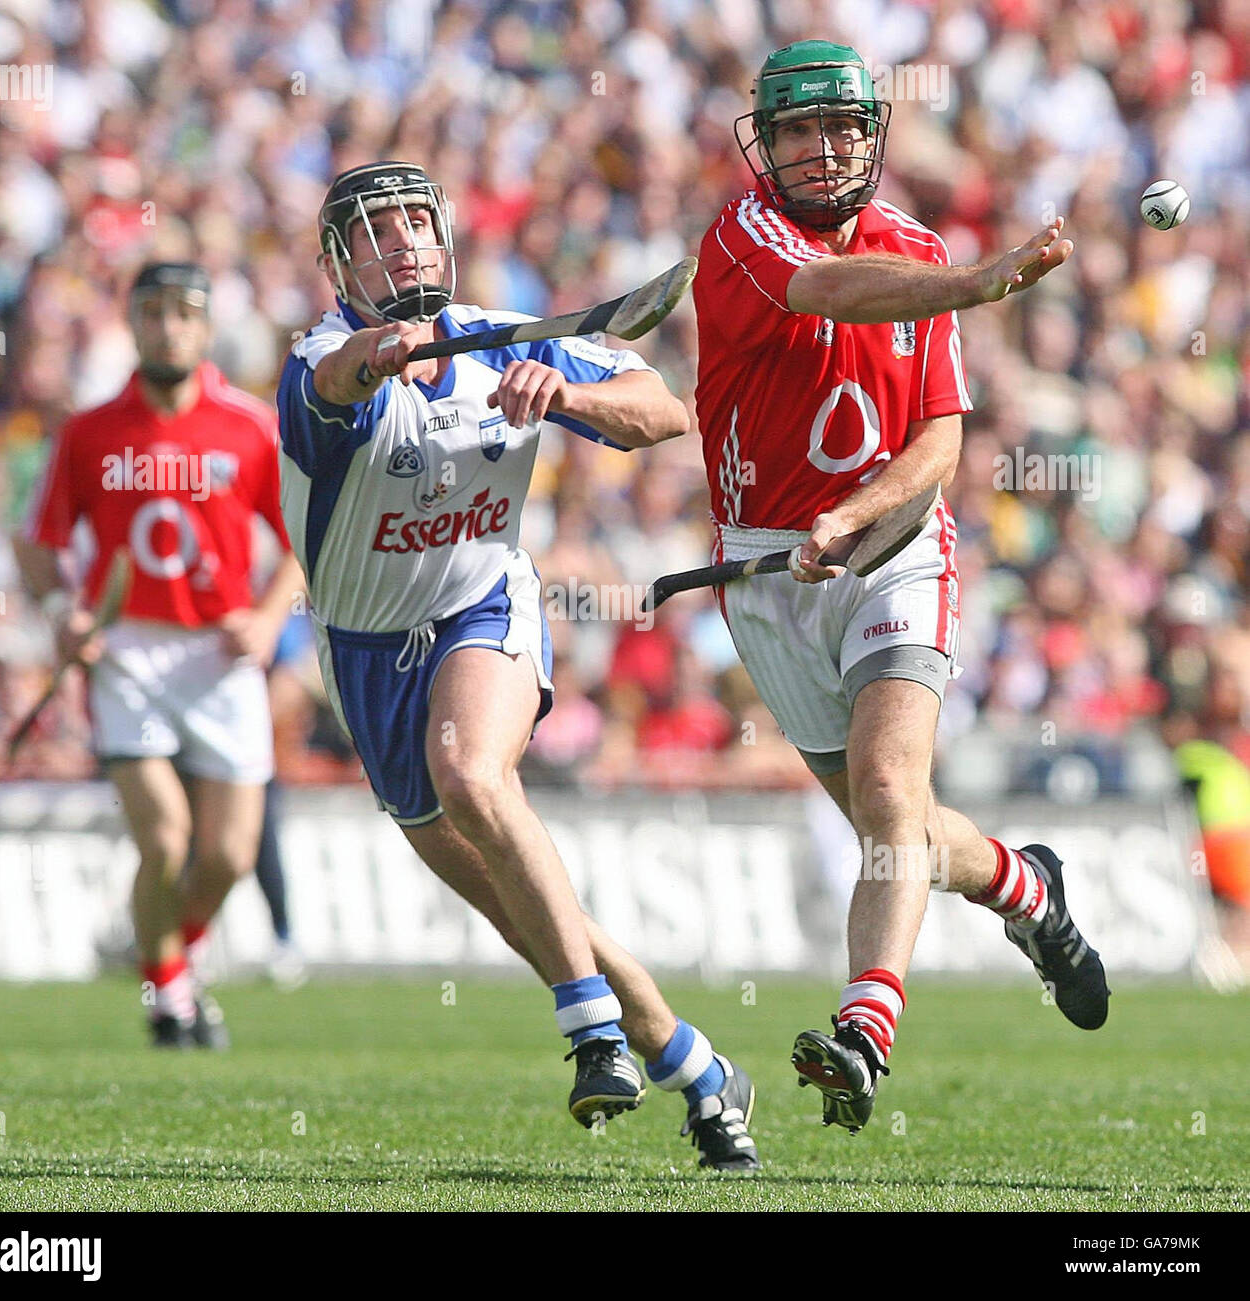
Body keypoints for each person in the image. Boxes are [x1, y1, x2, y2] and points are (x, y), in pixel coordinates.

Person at [275, 161, 758, 1169]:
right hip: (365, 653)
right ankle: (698, 1068)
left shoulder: (512, 334)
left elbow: (664, 405)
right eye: (375, 230)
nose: (403, 241)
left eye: (417, 222)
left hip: (482, 603)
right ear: (335, 262)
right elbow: (336, 385)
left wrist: (567, 397)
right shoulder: (317, 358)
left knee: (471, 772)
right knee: (530, 908)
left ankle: (591, 1035)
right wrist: (382, 354)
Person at [694, 41, 1110, 1134]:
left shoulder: (917, 248)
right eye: (796, 128)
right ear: (765, 144)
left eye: (840, 126)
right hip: (765, 570)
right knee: (904, 828)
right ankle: (1027, 885)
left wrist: (852, 512)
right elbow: (825, 289)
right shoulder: (743, 235)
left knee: (888, 792)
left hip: (894, 550)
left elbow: (938, 440)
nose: (821, 148)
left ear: (872, 136)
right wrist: (974, 282)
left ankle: (863, 1033)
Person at [15, 262, 304, 1048]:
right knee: (166, 839)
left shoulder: (248, 426)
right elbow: (37, 540)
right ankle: (168, 991)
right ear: (132, 325)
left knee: (229, 854)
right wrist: (60, 610)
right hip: (130, 655)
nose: (168, 327)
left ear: (206, 328)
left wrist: (269, 616)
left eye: (183, 313)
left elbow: (304, 543)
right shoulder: (90, 430)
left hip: (221, 652)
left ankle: (173, 951)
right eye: (151, 312)